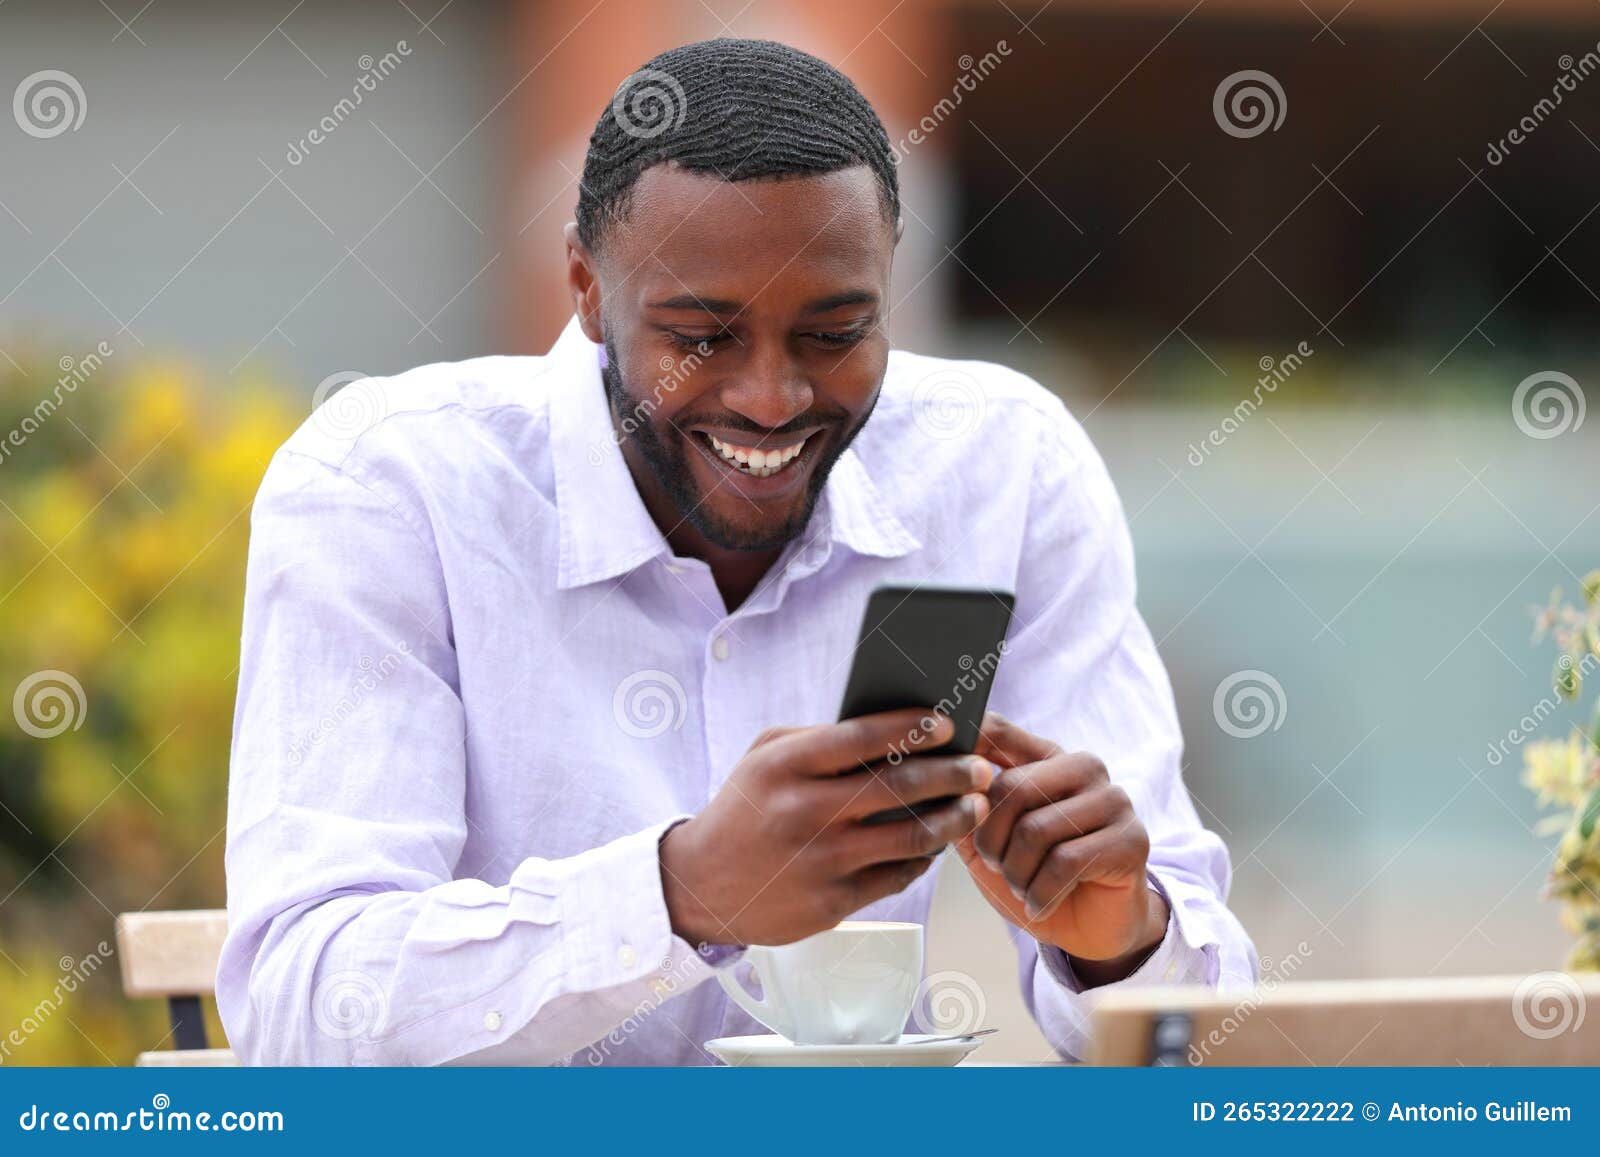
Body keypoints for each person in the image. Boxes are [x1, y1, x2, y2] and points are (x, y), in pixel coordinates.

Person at [218, 37, 1255, 1066]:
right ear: (584, 285)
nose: (771, 398)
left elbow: (1207, 1043)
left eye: (833, 333)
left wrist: (1121, 941)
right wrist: (681, 892)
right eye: (701, 336)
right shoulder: (391, 489)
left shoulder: (1000, 470)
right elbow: (304, 1007)